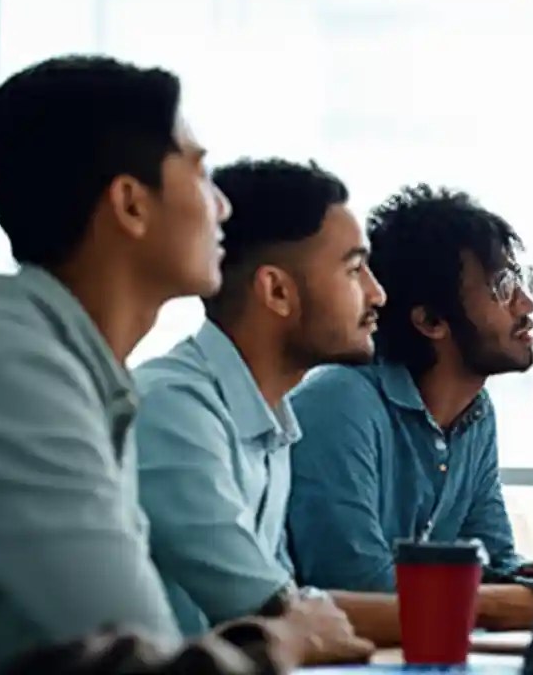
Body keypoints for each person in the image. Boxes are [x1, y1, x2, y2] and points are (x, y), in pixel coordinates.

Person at [0, 55, 372, 673]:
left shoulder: (78, 373)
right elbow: (145, 661)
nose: (221, 207)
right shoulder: (16, 366)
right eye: (199, 171)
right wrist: (290, 639)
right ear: (131, 204)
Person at [288, 185, 533, 629]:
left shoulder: (476, 413)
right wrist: (505, 603)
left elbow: (491, 559)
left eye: (521, 281)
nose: (526, 304)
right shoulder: (338, 403)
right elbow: (358, 587)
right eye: (502, 288)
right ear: (431, 321)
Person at [131, 158, 414, 646]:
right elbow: (273, 610)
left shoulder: (272, 425)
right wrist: (487, 612)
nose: (378, 293)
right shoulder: (175, 409)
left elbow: (289, 602)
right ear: (277, 291)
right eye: (354, 269)